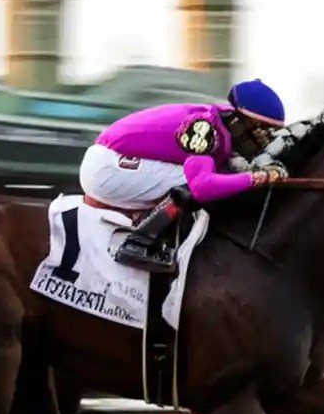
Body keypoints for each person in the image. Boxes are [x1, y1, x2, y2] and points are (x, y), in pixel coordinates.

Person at [79, 79, 289, 273]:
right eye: (260, 129)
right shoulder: (206, 130)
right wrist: (256, 178)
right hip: (106, 167)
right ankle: (138, 243)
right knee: (198, 179)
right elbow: (202, 187)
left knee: (216, 176)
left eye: (269, 132)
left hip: (114, 161)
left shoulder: (220, 124)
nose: (263, 139)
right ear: (238, 121)